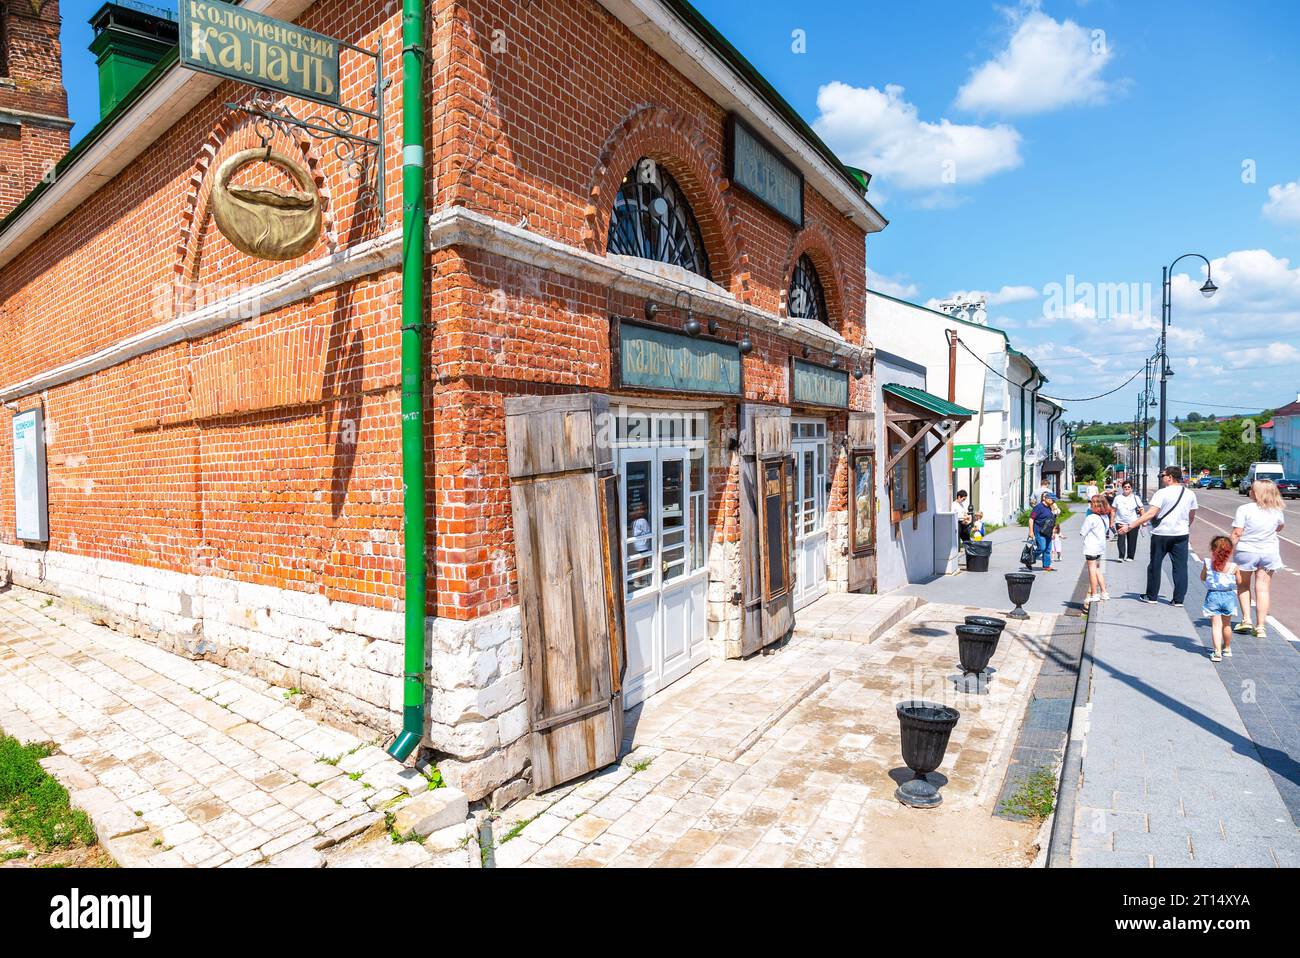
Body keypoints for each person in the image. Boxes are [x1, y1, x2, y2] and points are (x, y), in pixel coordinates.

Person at [1116, 465, 1198, 606]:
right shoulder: (1190, 494)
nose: (1161, 478)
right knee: (1180, 568)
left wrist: (1130, 526)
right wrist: (1183, 527)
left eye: (1162, 476)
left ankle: (1152, 596)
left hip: (1161, 534)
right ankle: (1178, 600)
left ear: (1170, 477)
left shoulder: (1162, 493)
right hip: (1181, 535)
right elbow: (1191, 516)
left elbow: (1150, 514)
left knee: (1155, 565)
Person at [1231, 479, 1286, 638]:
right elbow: (1280, 527)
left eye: (1252, 489)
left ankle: (1246, 619)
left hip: (1246, 551)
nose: (1249, 491)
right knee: (1263, 588)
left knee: (1243, 585)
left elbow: (1237, 533)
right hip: (1269, 552)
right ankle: (1260, 627)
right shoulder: (1276, 510)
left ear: (1257, 493)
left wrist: (1225, 550)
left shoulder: (1244, 509)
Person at [1201, 535, 1240, 662]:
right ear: (1230, 551)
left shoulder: (1208, 564)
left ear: (1212, 550)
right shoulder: (1234, 567)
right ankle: (1227, 648)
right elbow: (1239, 582)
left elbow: (1202, 578)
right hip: (1228, 596)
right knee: (1227, 625)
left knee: (1216, 625)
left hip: (1213, 595)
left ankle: (1217, 652)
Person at [1081, 495, 1110, 605]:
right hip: (1101, 546)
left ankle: (1094, 594)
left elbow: (1082, 532)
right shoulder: (1105, 517)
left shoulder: (1091, 518)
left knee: (1092, 570)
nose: (1090, 505)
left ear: (1095, 505)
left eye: (1091, 503)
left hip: (1091, 546)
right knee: (1098, 569)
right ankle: (1104, 592)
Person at [1112, 480, 1143, 561]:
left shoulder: (1136, 498)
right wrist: (1111, 521)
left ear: (1131, 488)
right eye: (1125, 487)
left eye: (1129, 487)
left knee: (1132, 540)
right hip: (1120, 522)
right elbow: (1113, 510)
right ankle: (1121, 556)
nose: (1127, 488)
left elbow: (1141, 509)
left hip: (1133, 522)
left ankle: (1130, 556)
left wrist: (1143, 521)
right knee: (1120, 540)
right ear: (1122, 488)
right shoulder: (1117, 498)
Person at [1030, 492, 1057, 572]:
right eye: (1053, 500)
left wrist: (1053, 532)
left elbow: (1052, 521)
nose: (1054, 502)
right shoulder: (1038, 507)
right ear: (1047, 499)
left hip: (1048, 531)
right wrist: (1031, 532)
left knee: (1048, 549)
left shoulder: (1050, 507)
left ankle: (1046, 565)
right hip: (1039, 531)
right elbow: (1031, 519)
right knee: (1042, 547)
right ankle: (1029, 559)